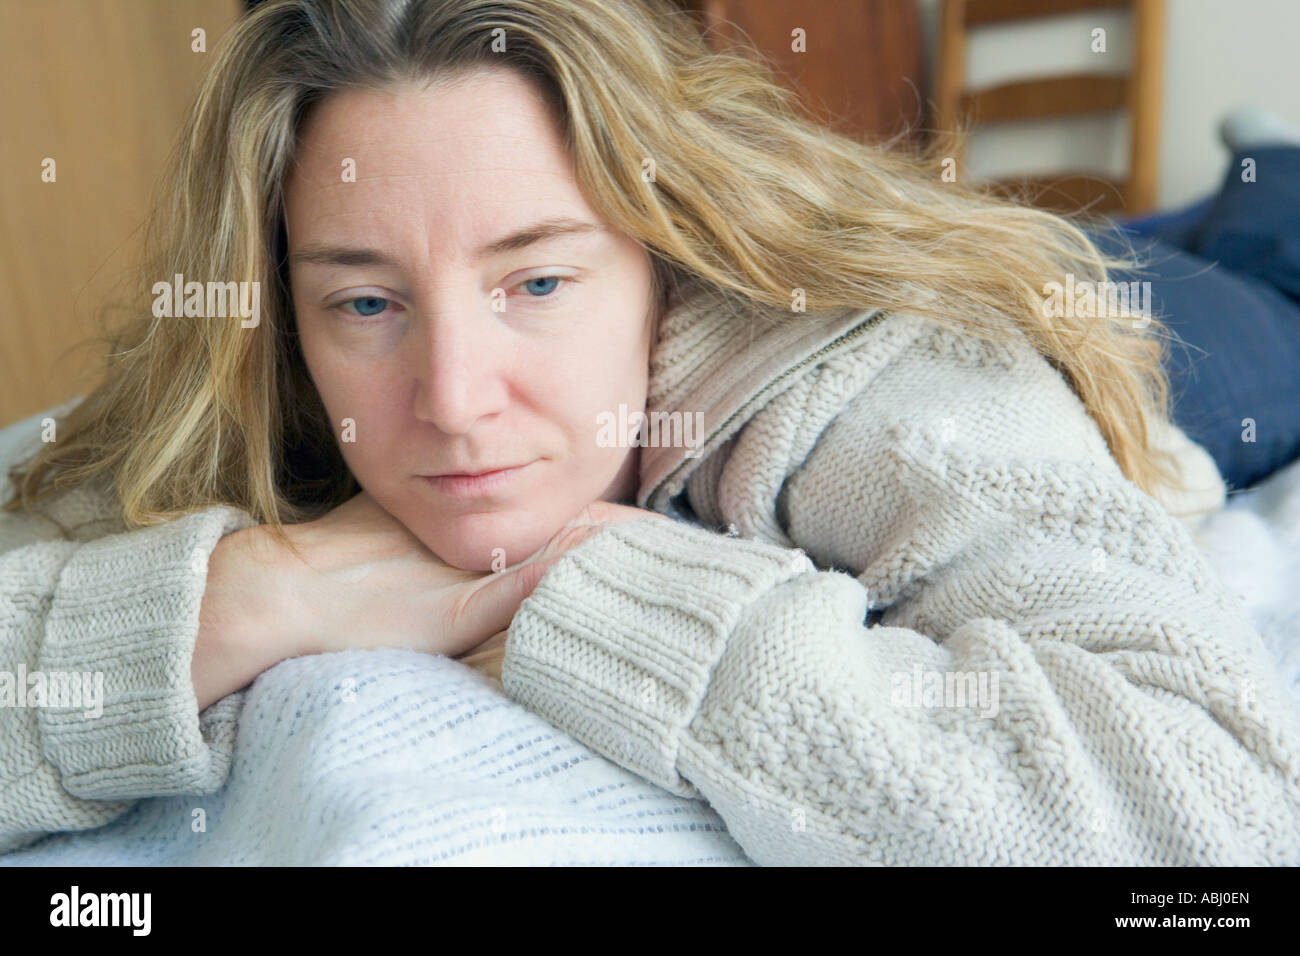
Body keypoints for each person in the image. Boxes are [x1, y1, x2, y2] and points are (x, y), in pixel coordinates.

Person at [2, 0, 1298, 865]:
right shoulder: (266, 384)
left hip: (1170, 343)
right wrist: (238, 603)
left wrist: (598, 593)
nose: (451, 400)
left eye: (540, 283)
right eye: (366, 300)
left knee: (1250, 259)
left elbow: (1228, 815)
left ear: (662, 255)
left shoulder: (900, 387)